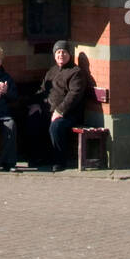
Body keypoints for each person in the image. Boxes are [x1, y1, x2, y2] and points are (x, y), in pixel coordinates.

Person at [26, 40, 89, 170]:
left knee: (56, 126)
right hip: (48, 109)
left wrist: (60, 111)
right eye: (58, 52)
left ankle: (59, 161)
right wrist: (35, 104)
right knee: (32, 119)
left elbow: (74, 95)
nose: (61, 55)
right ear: (54, 55)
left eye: (64, 52)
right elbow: (43, 90)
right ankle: (38, 157)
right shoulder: (52, 70)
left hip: (68, 113)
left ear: (69, 54)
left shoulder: (76, 72)